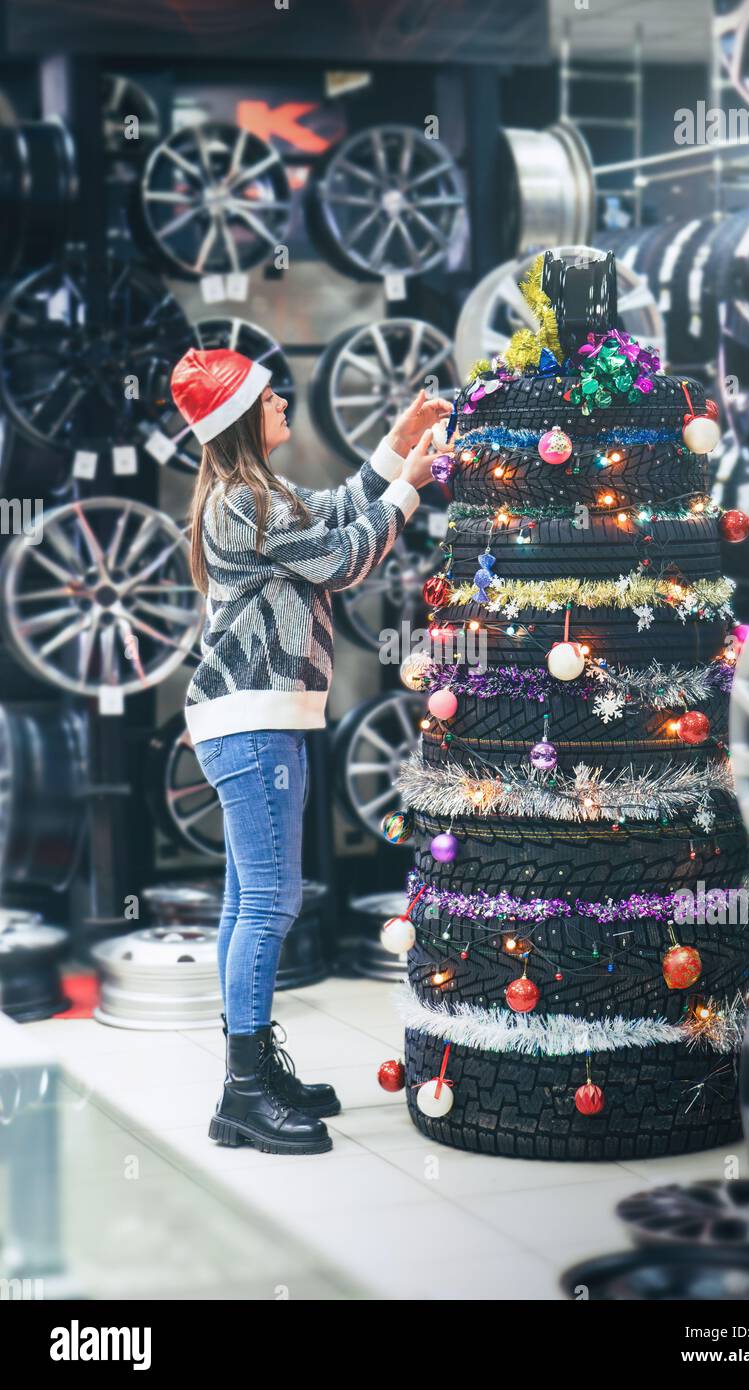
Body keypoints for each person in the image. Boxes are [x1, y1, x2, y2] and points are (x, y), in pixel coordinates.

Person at [170, 345, 451, 1155]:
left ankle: (251, 1077)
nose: (283, 401)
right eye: (268, 397)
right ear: (238, 419)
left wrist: (396, 446)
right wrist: (413, 485)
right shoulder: (244, 501)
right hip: (255, 723)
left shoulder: (254, 493)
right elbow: (346, 557)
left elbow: (334, 510)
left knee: (247, 902)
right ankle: (246, 1096)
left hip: (255, 719)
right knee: (269, 903)